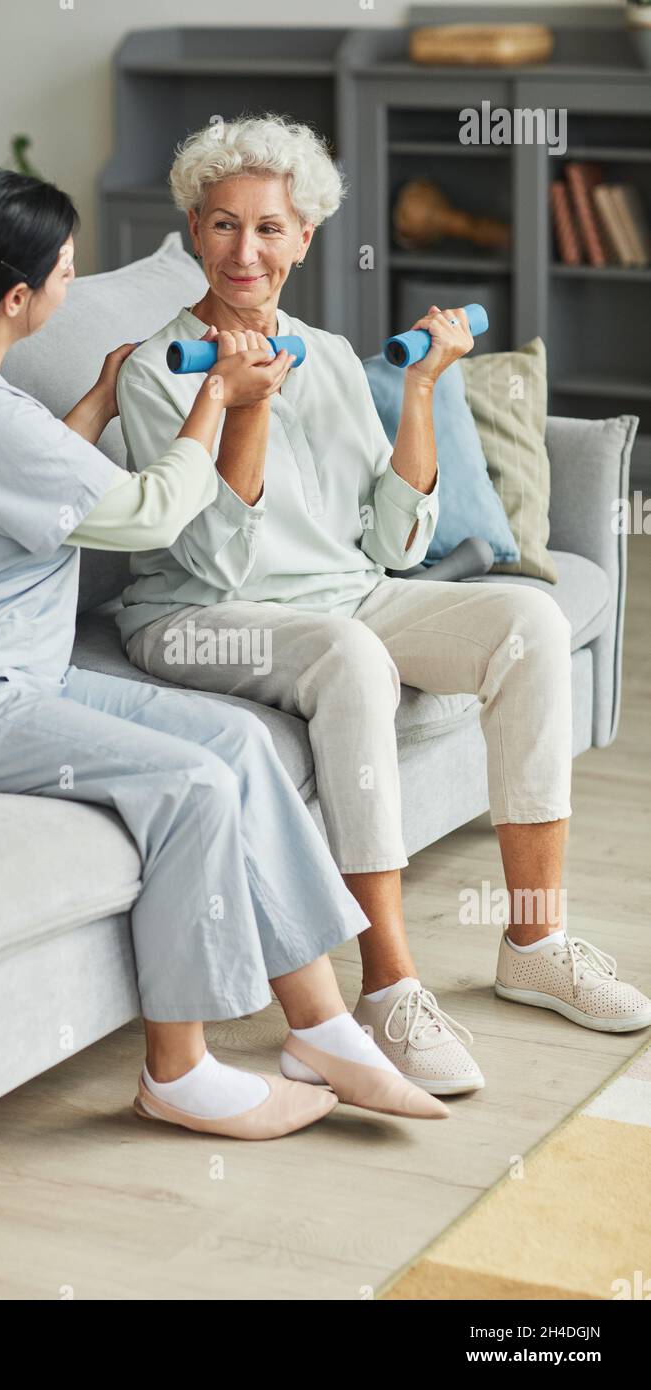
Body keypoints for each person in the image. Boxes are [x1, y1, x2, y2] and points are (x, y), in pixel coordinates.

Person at [0, 167, 449, 1143]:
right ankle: (177, 1070)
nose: (76, 286)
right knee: (192, 784)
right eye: (68, 273)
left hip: (11, 674)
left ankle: (323, 1027)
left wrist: (101, 400)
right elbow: (146, 513)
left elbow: (32, 493)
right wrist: (216, 394)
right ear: (19, 296)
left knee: (241, 749)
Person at [115, 115, 651, 1096]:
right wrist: (245, 403)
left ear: (305, 237)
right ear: (193, 230)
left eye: (268, 228)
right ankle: (387, 988)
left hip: (342, 591)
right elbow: (216, 554)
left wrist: (414, 391)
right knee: (350, 655)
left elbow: (389, 542)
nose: (245, 250)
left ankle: (532, 939)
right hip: (200, 611)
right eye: (224, 225)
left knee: (525, 624)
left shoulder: (319, 349)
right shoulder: (157, 370)